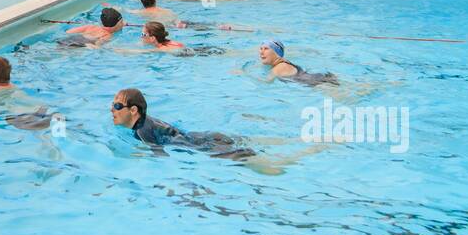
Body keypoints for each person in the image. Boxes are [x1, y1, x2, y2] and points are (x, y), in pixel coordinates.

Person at [109, 88, 320, 175]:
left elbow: (161, 157)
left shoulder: (142, 131)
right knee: (253, 142)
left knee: (270, 169)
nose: (112, 110)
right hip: (204, 136)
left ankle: (309, 153)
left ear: (133, 110)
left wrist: (138, 156)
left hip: (202, 146)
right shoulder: (148, 121)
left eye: (117, 106)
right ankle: (301, 140)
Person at [256, 39, 339, 87]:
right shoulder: (284, 63)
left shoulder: (278, 68)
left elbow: (265, 84)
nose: (261, 52)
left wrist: (244, 73)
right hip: (320, 77)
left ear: (276, 53)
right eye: (261, 48)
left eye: (266, 49)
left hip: (319, 84)